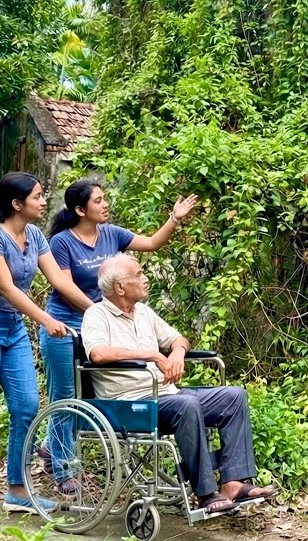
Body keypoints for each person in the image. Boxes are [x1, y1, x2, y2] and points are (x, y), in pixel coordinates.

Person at [81, 254, 277, 514]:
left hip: (166, 394)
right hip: (131, 403)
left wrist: (177, 353)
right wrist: (152, 355)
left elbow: (178, 338)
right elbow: (98, 353)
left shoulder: (144, 313)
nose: (145, 279)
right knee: (186, 404)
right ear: (119, 287)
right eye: (139, 275)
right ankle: (205, 493)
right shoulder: (96, 314)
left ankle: (232, 484)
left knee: (233, 396)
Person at [37, 179, 198, 493]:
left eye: (104, 198)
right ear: (80, 210)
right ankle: (63, 469)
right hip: (66, 327)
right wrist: (101, 312)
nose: (105, 204)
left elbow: (151, 243)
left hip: (104, 321)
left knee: (97, 395)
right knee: (68, 396)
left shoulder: (111, 233)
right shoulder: (62, 242)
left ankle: (50, 446)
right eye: (98, 200)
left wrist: (174, 218)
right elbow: (64, 286)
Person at [0, 172, 75, 520]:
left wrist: (97, 309)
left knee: (27, 407)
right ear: (17, 204)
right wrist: (46, 320)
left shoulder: (34, 235)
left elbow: (58, 279)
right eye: (37, 196)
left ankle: (18, 491)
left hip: (13, 329)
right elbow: (7, 288)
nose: (44, 201)